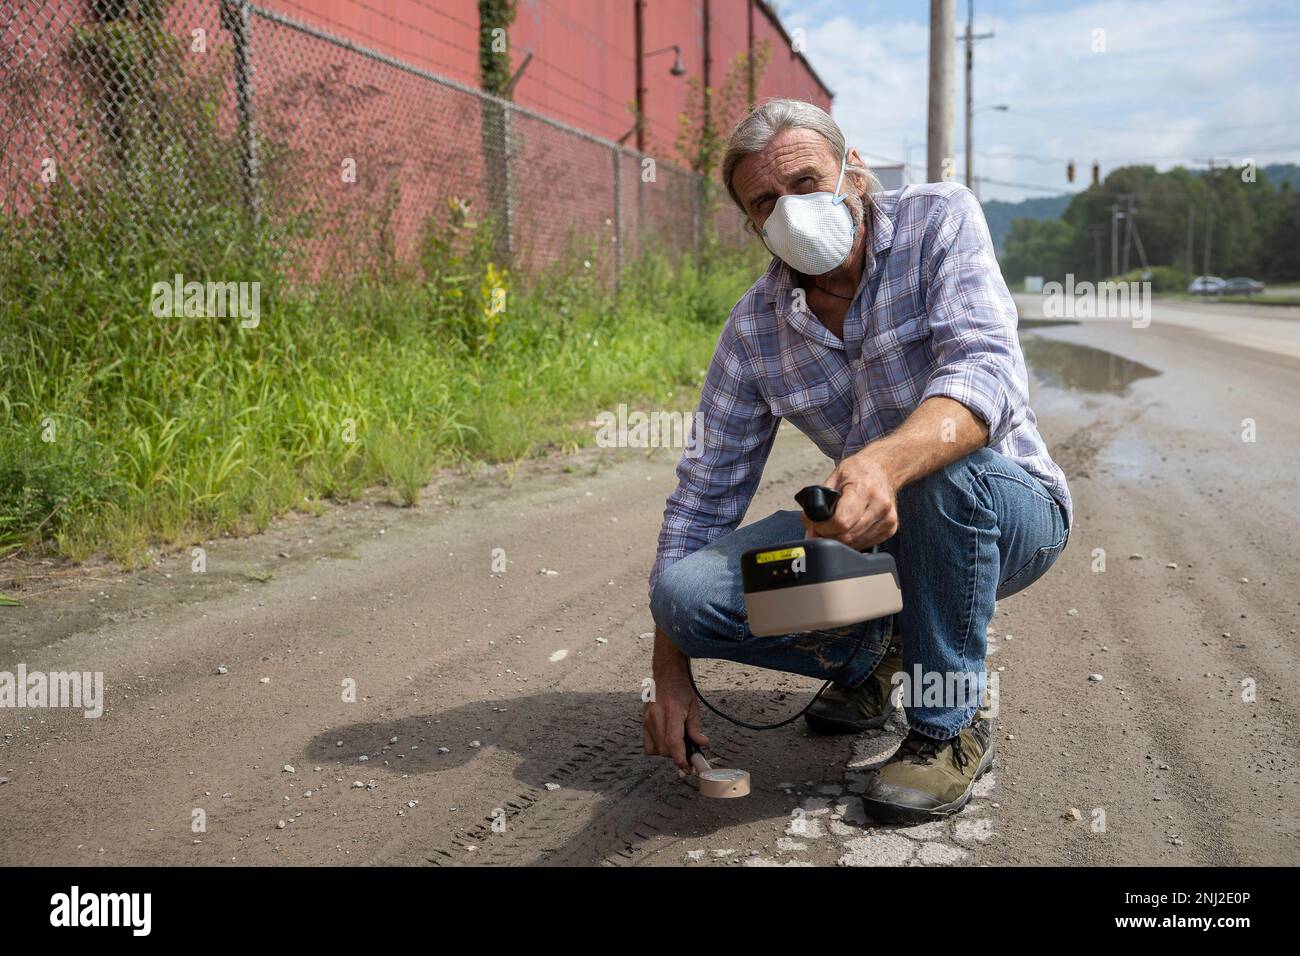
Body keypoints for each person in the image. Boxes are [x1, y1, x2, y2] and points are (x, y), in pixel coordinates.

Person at [642, 99, 1071, 823]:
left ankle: (948, 725)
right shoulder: (756, 329)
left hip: (1004, 514)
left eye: (807, 183)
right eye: (766, 203)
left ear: (856, 174)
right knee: (687, 595)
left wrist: (884, 463)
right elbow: (703, 493)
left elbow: (984, 369)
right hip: (879, 548)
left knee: (939, 467)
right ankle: (875, 655)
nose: (791, 212)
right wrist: (668, 667)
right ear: (752, 227)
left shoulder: (941, 220)